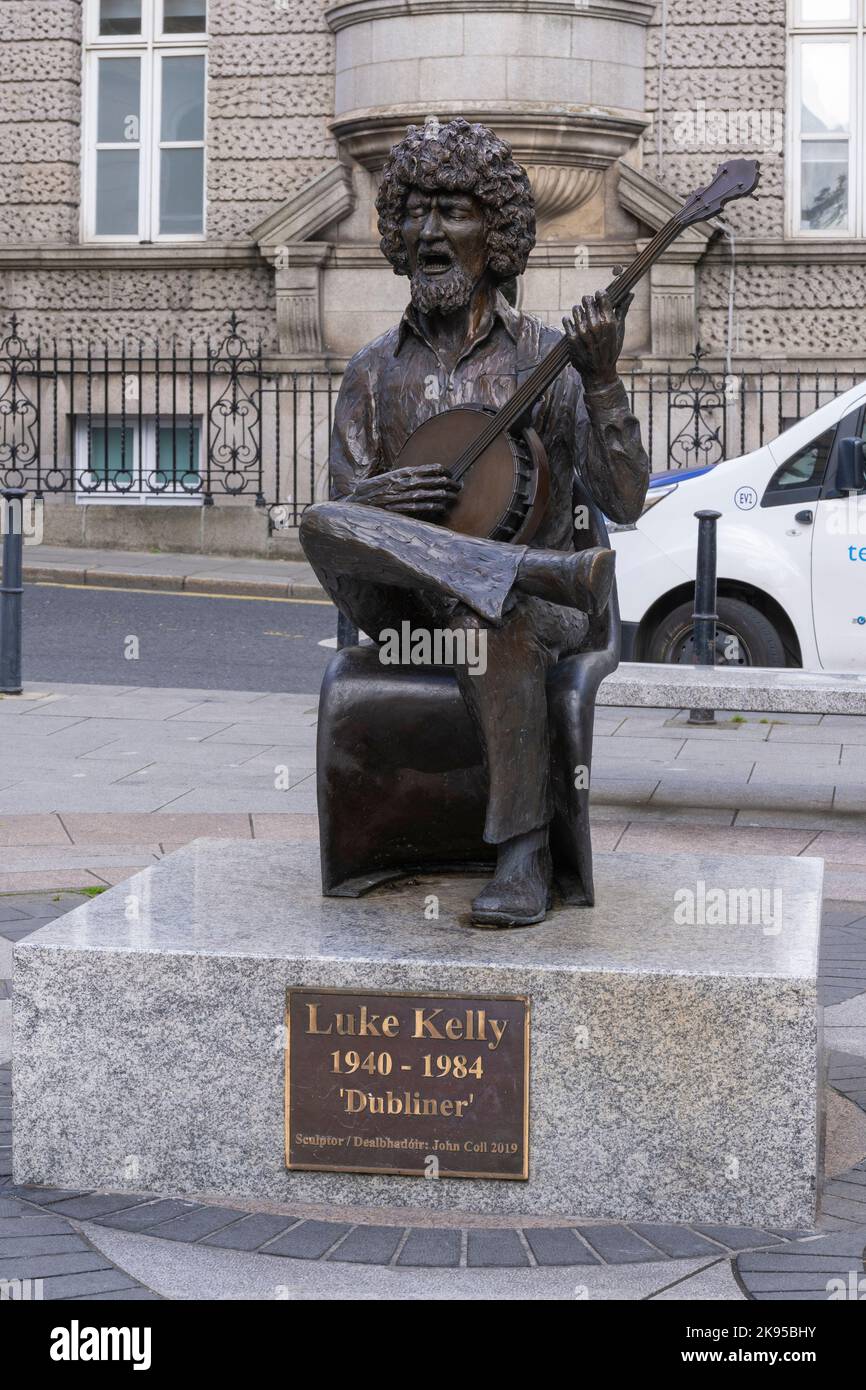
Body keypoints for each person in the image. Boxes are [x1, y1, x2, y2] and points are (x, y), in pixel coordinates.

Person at [300, 118, 649, 927]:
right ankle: (529, 572)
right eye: (415, 213)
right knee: (322, 517)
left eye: (453, 211)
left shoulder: (549, 361)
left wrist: (602, 383)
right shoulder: (371, 370)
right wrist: (374, 504)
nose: (429, 231)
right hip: (405, 608)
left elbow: (626, 501)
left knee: (493, 617)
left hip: (530, 617)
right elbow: (339, 530)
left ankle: (523, 856)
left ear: (496, 230)